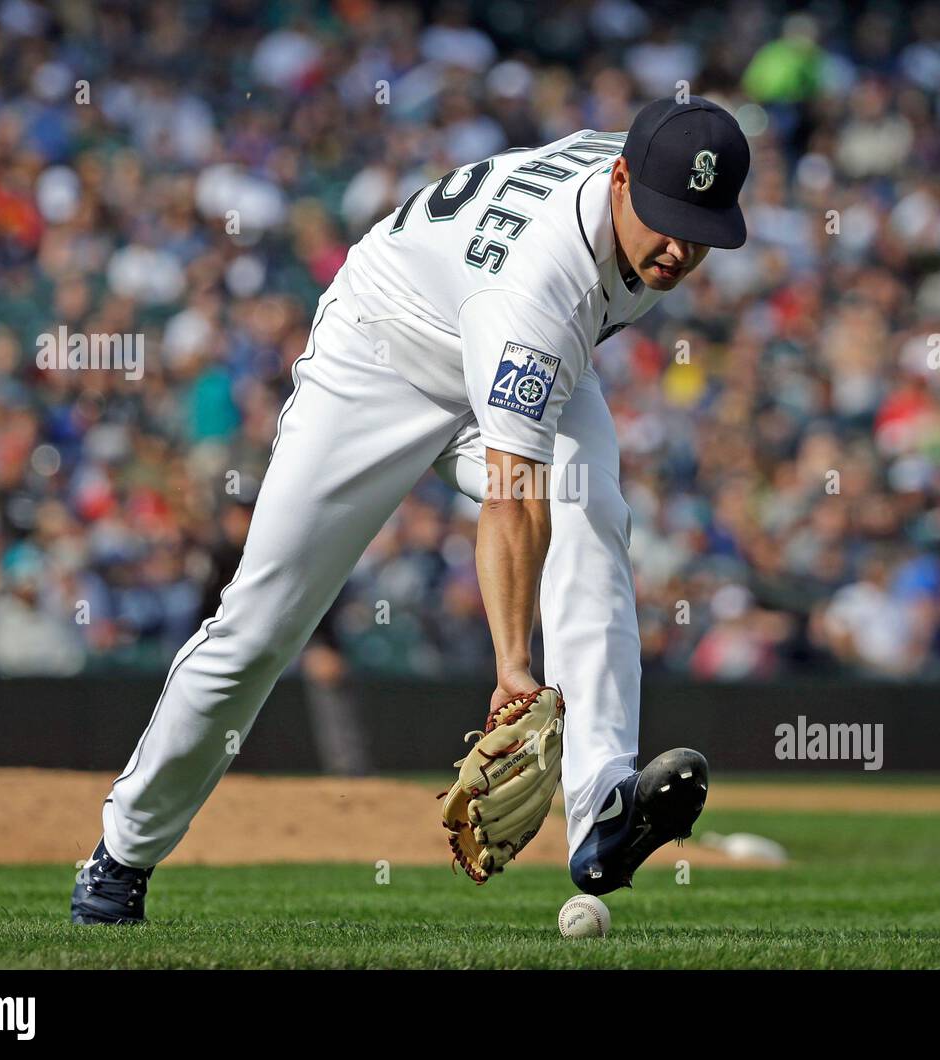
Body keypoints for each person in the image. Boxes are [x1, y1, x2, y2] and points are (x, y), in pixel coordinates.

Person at [71, 97, 749, 923]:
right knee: (261, 622)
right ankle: (121, 857)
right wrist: (511, 669)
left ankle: (606, 797)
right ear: (619, 178)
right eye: (666, 218)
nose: (679, 247)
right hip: (384, 352)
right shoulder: (545, 280)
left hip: (496, 334)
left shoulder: (646, 180)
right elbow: (512, 494)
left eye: (701, 228)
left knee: (592, 508)